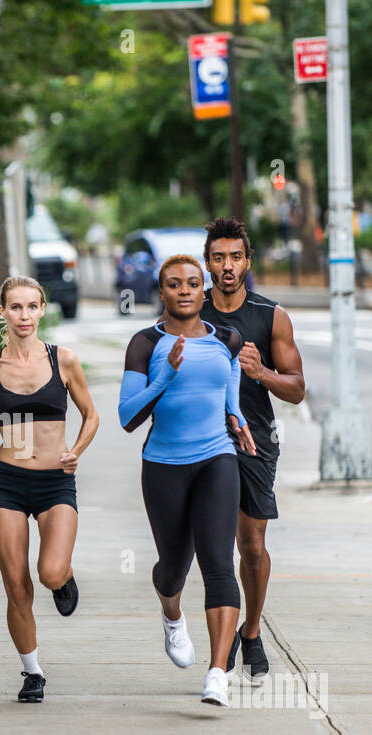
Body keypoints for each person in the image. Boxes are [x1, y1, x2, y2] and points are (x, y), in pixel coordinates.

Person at [0, 276, 99, 703]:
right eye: (15, 307)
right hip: (9, 483)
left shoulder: (63, 360)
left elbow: (91, 416)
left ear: (42, 309)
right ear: (2, 311)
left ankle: (64, 579)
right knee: (17, 586)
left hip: (56, 480)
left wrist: (76, 450)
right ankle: (32, 671)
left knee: (49, 571)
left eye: (32, 307)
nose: (24, 316)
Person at [118, 254, 256, 708]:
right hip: (163, 465)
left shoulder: (226, 338)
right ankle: (171, 614)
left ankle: (218, 672)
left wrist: (234, 415)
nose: (184, 290)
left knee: (218, 562)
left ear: (204, 290)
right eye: (174, 284)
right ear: (161, 292)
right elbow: (127, 417)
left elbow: (230, 372)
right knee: (173, 567)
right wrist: (167, 375)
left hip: (217, 457)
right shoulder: (144, 343)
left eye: (193, 283)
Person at [200, 217, 306, 686]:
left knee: (252, 545)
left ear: (247, 261)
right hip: (202, 439)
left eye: (235, 257)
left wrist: (261, 373)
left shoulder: (270, 316)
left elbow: (299, 389)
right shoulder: (189, 312)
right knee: (212, 549)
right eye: (218, 257)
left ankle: (252, 629)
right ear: (208, 263)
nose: (227, 265)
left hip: (255, 440)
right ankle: (217, 655)